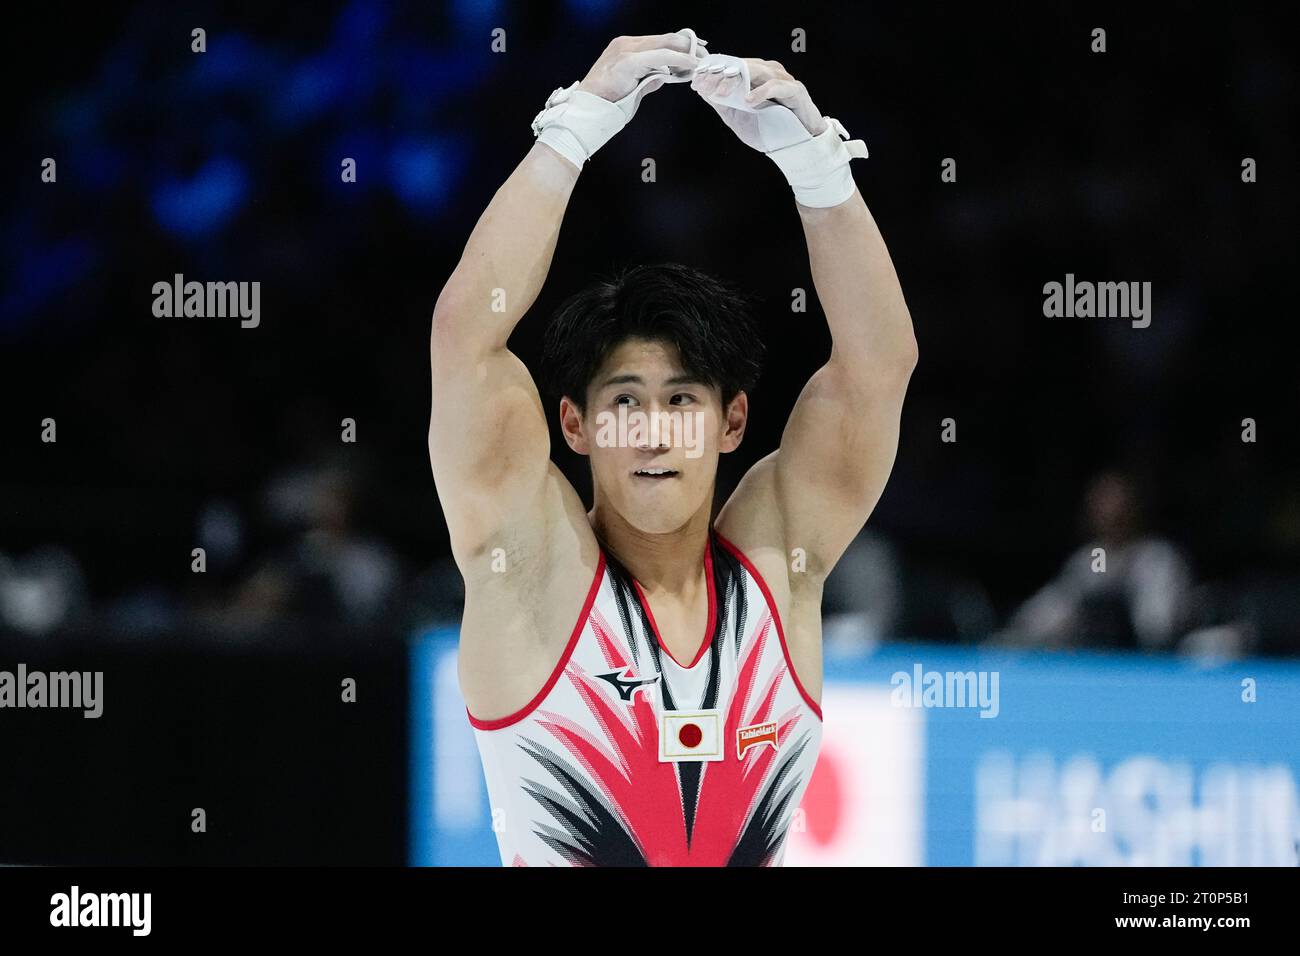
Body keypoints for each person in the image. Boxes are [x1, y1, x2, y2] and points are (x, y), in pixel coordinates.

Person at [428, 29, 917, 865]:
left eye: (682, 402)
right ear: (573, 426)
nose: (654, 432)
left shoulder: (779, 561)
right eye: (625, 403)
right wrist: (571, 130)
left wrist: (818, 168)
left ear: (731, 424)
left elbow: (878, 367)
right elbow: (467, 338)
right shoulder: (532, 570)